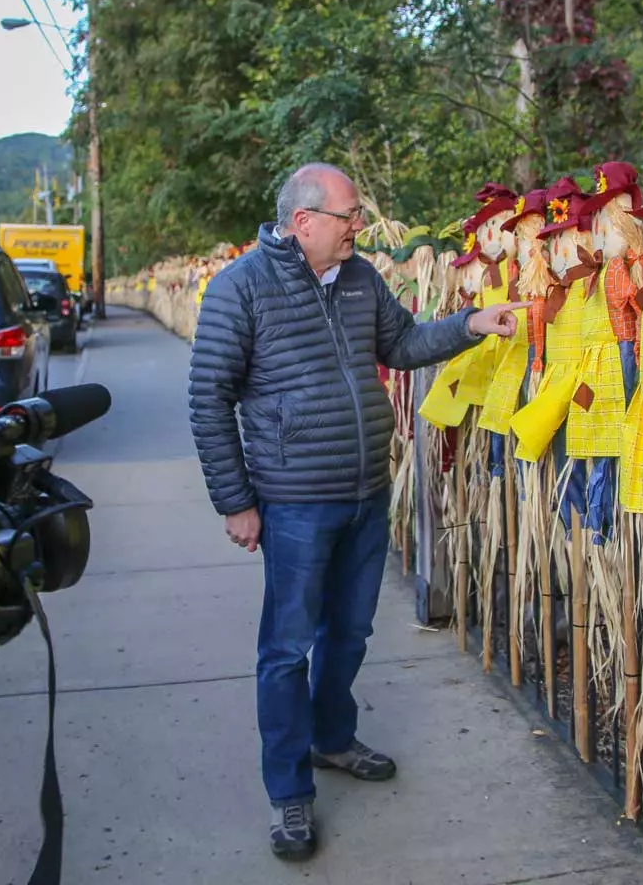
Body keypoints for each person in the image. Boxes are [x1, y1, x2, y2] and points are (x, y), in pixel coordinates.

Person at [187, 163, 525, 860]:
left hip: (366, 491)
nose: (359, 228)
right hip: (293, 504)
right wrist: (236, 502)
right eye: (349, 216)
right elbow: (208, 401)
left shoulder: (362, 278)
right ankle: (289, 793)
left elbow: (400, 346)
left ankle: (332, 739)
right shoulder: (239, 289)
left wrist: (471, 323)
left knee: (350, 632)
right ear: (304, 221)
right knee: (286, 650)